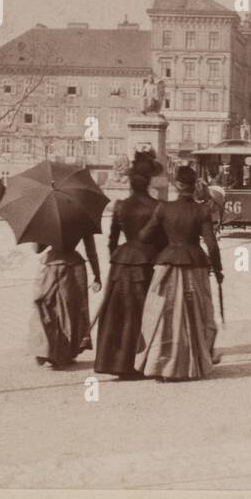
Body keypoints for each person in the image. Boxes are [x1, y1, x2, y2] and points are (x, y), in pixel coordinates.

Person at [136, 165, 224, 380]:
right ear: (194, 187)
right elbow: (212, 245)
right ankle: (194, 362)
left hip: (168, 265)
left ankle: (161, 364)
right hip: (195, 265)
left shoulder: (163, 208)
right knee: (200, 314)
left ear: (176, 185)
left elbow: (144, 236)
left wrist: (167, 243)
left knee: (164, 315)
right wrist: (218, 270)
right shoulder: (202, 210)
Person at [93, 161, 162, 379]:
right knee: (143, 312)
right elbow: (162, 240)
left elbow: (112, 240)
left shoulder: (120, 205)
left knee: (117, 312)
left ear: (130, 184)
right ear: (149, 182)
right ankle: (141, 360)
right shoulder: (157, 206)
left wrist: (116, 259)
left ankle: (116, 361)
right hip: (146, 262)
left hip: (122, 262)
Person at [30, 232, 102, 370]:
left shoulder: (47, 218)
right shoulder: (82, 217)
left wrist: (39, 234)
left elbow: (37, 249)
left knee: (48, 307)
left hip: (50, 266)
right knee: (70, 311)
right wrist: (97, 275)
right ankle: (64, 353)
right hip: (73, 266)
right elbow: (91, 251)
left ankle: (48, 350)